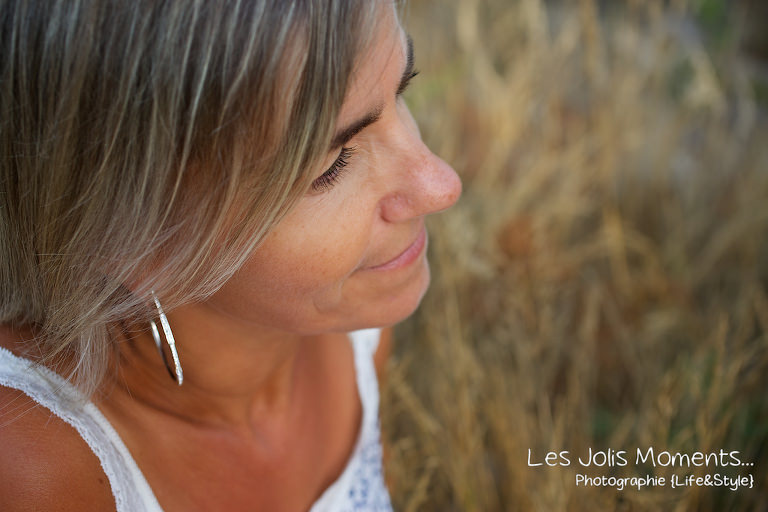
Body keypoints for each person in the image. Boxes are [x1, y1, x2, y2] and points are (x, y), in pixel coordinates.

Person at [0, 0, 461, 510]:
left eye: (402, 90)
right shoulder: (33, 469)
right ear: (134, 240)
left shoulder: (358, 320)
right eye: (331, 166)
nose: (441, 185)